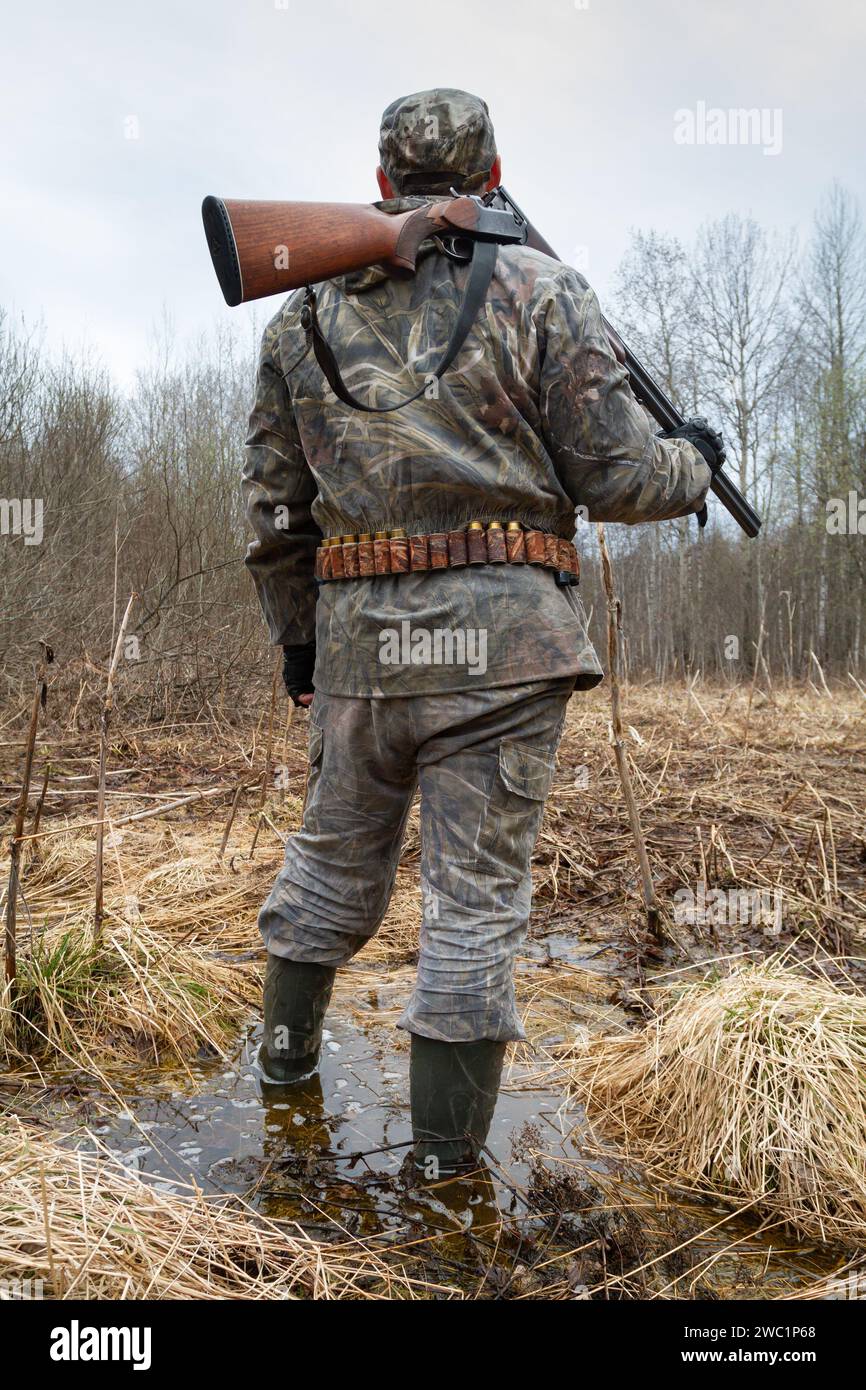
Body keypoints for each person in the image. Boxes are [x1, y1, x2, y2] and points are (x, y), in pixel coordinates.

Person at [241, 88, 724, 1180]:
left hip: (363, 657)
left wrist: (301, 645)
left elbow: (272, 509)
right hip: (501, 662)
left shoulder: (301, 312)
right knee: (470, 916)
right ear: (493, 178)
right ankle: (447, 1186)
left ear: (378, 187)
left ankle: (280, 1108)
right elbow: (615, 474)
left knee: (322, 880)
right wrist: (691, 456)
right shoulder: (541, 291)